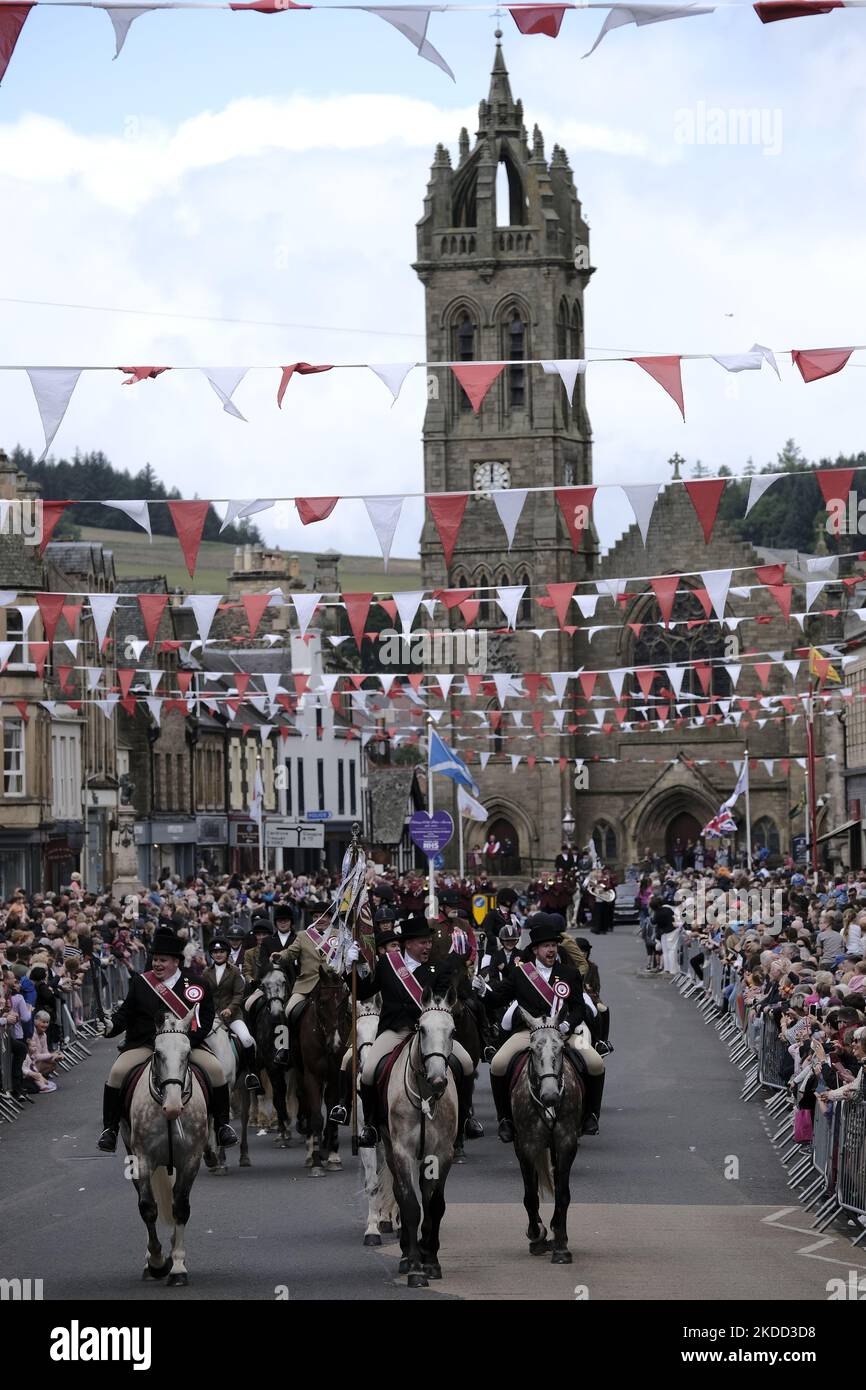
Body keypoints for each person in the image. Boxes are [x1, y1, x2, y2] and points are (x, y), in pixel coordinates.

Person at [96, 925, 238, 1154]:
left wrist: (187, 1041)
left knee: (216, 1070)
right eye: (155, 960)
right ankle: (110, 1129)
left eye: (162, 960)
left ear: (176, 962)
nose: (157, 964)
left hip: (186, 1045)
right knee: (116, 1073)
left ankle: (222, 1126)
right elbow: (126, 1013)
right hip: (146, 1044)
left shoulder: (197, 984)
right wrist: (111, 1025)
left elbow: (205, 1019)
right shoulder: (141, 983)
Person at [342, 917, 474, 1148]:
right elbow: (362, 992)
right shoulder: (386, 965)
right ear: (408, 944)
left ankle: (466, 1119)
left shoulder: (438, 968)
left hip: (429, 1034)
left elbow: (442, 1001)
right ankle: (371, 1125)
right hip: (396, 1030)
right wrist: (347, 968)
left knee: (466, 1063)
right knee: (369, 1071)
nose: (428, 947)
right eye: (422, 943)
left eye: (429, 942)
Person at [474, 913, 605, 1140]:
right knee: (498, 1064)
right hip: (529, 1032)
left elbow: (578, 1008)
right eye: (546, 946)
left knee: (595, 1062)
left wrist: (566, 1024)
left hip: (564, 1033)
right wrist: (483, 990)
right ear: (535, 950)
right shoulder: (520, 973)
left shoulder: (569, 973)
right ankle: (505, 1119)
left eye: (554, 945)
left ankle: (591, 1115)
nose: (551, 950)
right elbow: (497, 1000)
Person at [203, 938, 262, 1093]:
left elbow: (238, 993)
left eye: (221, 951)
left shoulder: (235, 971)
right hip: (214, 1017)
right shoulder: (206, 972)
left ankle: (251, 1074)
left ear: (227, 953)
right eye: (215, 952)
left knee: (247, 1039)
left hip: (233, 1016)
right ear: (211, 955)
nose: (218, 955)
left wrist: (230, 1009)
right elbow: (205, 995)